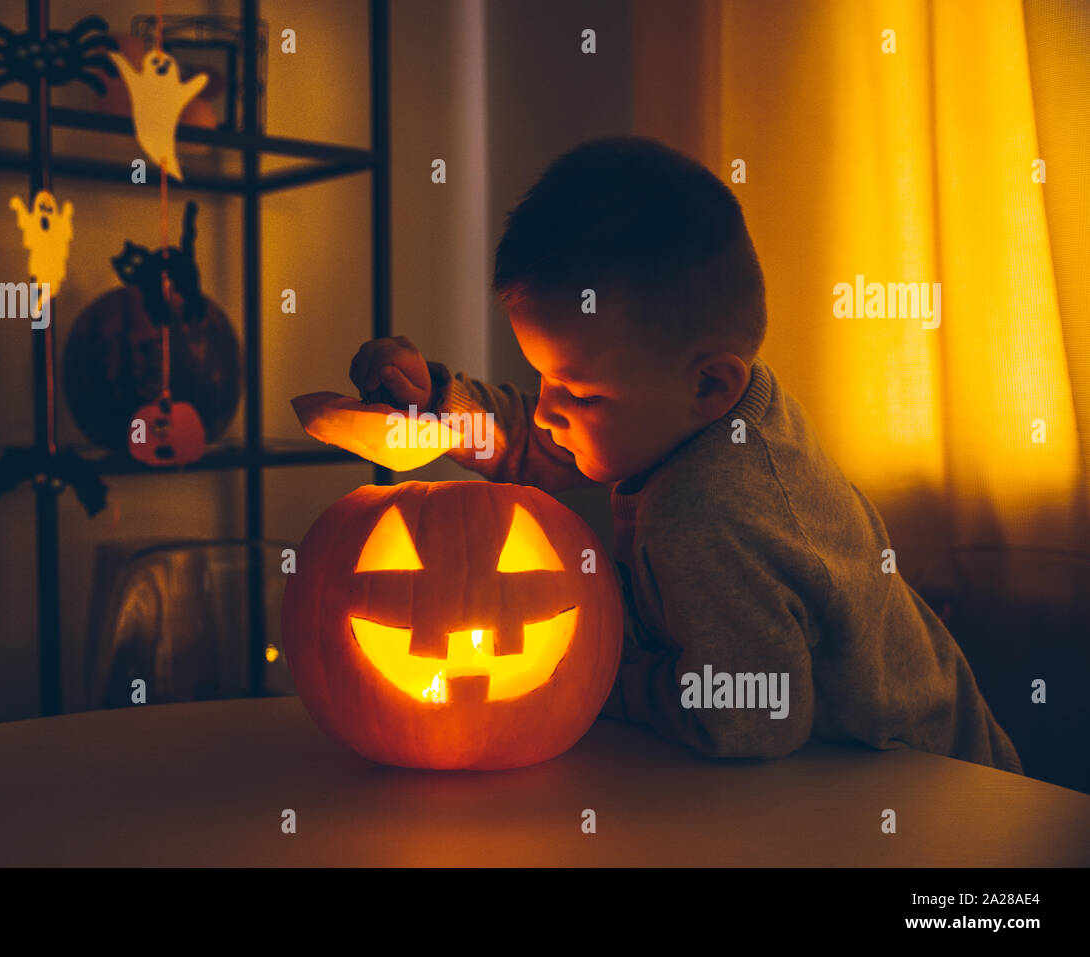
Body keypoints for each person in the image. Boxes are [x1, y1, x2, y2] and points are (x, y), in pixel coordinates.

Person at [347, 135, 1022, 774]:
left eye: (579, 393)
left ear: (708, 383)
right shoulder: (693, 410)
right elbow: (537, 439)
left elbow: (749, 716)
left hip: (928, 790)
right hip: (829, 777)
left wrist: (595, 669)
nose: (550, 409)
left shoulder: (709, 509)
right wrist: (437, 403)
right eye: (544, 378)